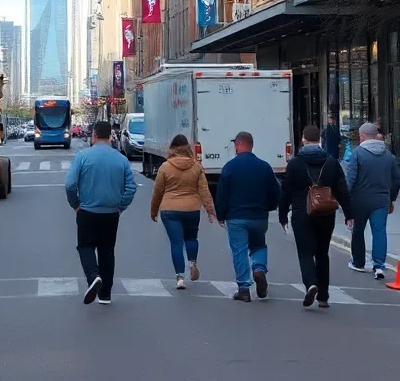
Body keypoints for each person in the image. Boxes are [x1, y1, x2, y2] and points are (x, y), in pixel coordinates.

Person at [279, 125, 352, 308]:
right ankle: (324, 296)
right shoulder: (331, 161)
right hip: (326, 212)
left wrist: (282, 215)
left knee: (305, 253)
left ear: (303, 139)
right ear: (319, 139)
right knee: (322, 253)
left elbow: (286, 191)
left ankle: (311, 283)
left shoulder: (295, 163)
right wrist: (349, 213)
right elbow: (342, 189)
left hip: (301, 211)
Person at [65, 121, 137, 306]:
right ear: (111, 136)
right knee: (107, 252)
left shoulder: (83, 156)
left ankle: (93, 277)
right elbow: (130, 187)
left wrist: (75, 205)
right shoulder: (121, 159)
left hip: (87, 210)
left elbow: (70, 184)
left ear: (94, 135)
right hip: (111, 213)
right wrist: (121, 206)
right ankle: (105, 294)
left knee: (85, 246)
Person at [215, 131, 281, 302]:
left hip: (236, 217)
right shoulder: (264, 166)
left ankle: (244, 288)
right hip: (259, 216)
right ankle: (259, 269)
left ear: (238, 145)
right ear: (251, 145)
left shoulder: (229, 167)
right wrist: (270, 207)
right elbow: (275, 191)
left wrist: (221, 215)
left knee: (239, 250)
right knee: (259, 245)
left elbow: (221, 194)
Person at [150, 134, 217, 289]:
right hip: (192, 208)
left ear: (172, 148)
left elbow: (158, 192)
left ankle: (180, 277)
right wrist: (210, 210)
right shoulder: (196, 167)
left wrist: (154, 211)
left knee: (176, 243)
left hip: (170, 209)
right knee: (191, 238)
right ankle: (192, 262)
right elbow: (204, 191)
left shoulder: (165, 167)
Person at [346, 122, 400, 279]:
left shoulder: (357, 153)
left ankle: (358, 262)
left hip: (360, 200)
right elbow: (397, 180)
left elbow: (350, 180)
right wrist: (391, 198)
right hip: (382, 200)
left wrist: (345, 201)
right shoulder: (388, 155)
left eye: (359, 135)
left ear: (363, 135)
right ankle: (379, 265)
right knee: (379, 231)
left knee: (357, 231)